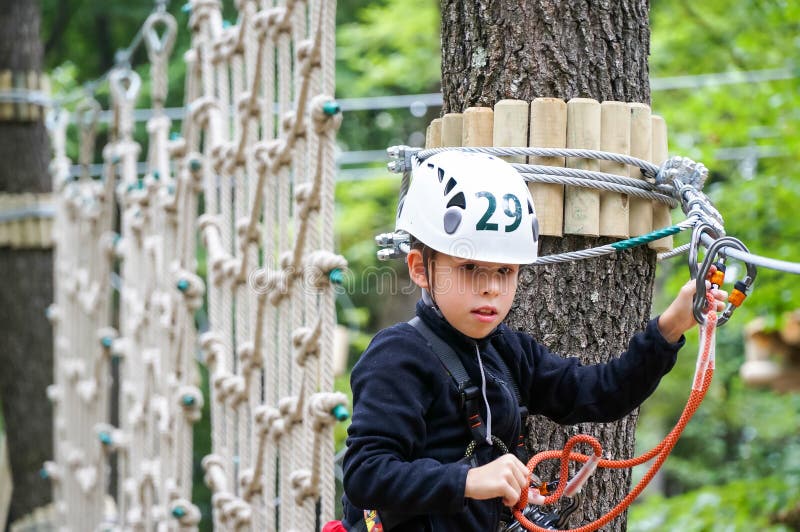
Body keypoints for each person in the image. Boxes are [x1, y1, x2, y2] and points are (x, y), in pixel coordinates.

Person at [339, 151, 726, 532]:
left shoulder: (507, 351)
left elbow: (599, 392)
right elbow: (365, 473)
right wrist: (468, 480)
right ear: (421, 269)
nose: (491, 288)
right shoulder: (398, 356)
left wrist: (670, 327)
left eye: (504, 271)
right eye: (470, 267)